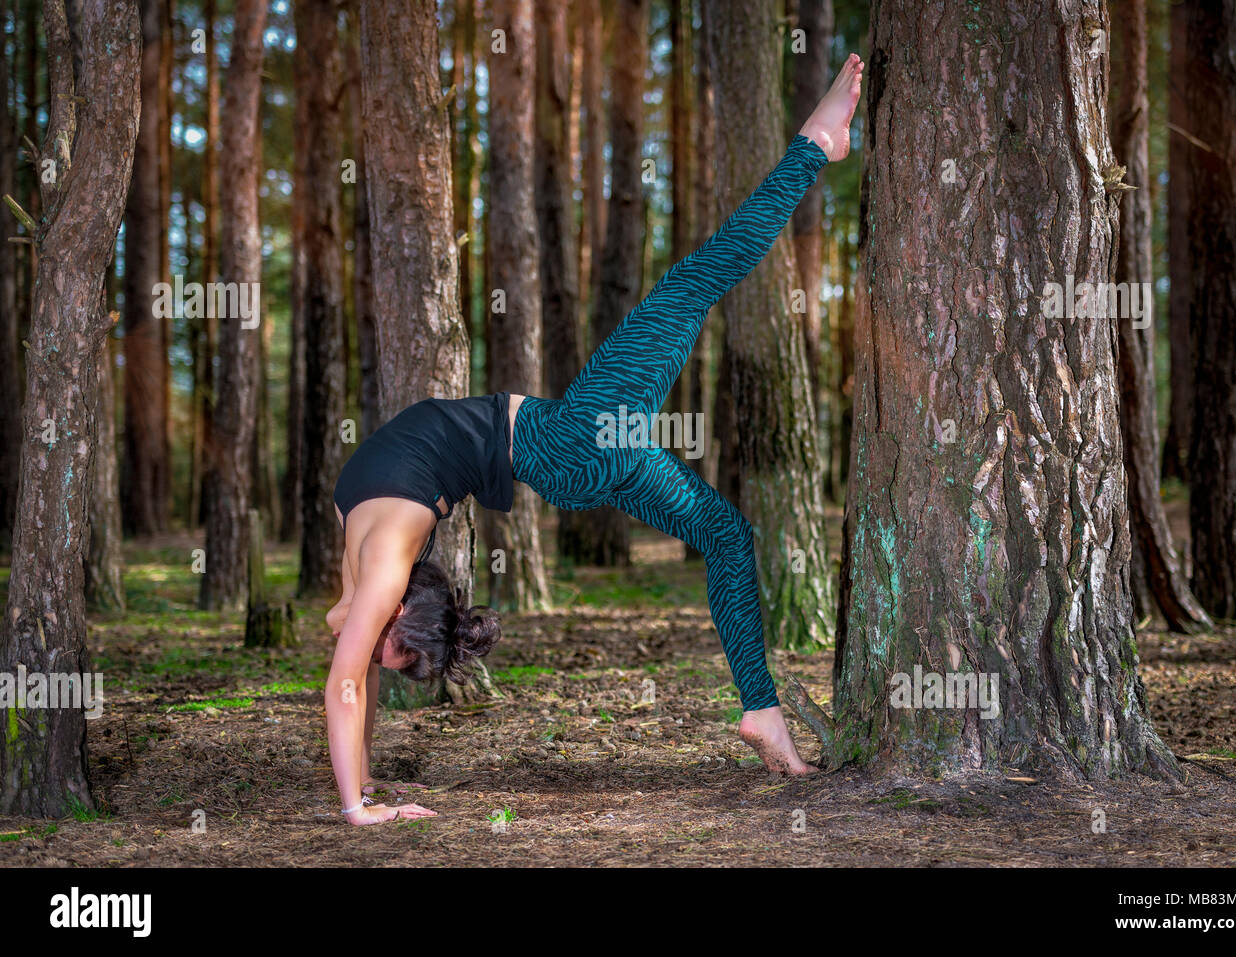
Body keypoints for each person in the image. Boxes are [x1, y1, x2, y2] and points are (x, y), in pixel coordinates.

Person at [325, 54, 865, 824]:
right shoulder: (378, 562)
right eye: (398, 653)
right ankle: (815, 143)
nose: (380, 659)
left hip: (570, 449)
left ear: (399, 617)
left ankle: (761, 710)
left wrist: (360, 786)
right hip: (567, 445)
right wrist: (358, 802)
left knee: (725, 533)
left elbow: (346, 661)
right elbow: (351, 677)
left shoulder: (369, 579)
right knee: (692, 282)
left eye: (395, 653)